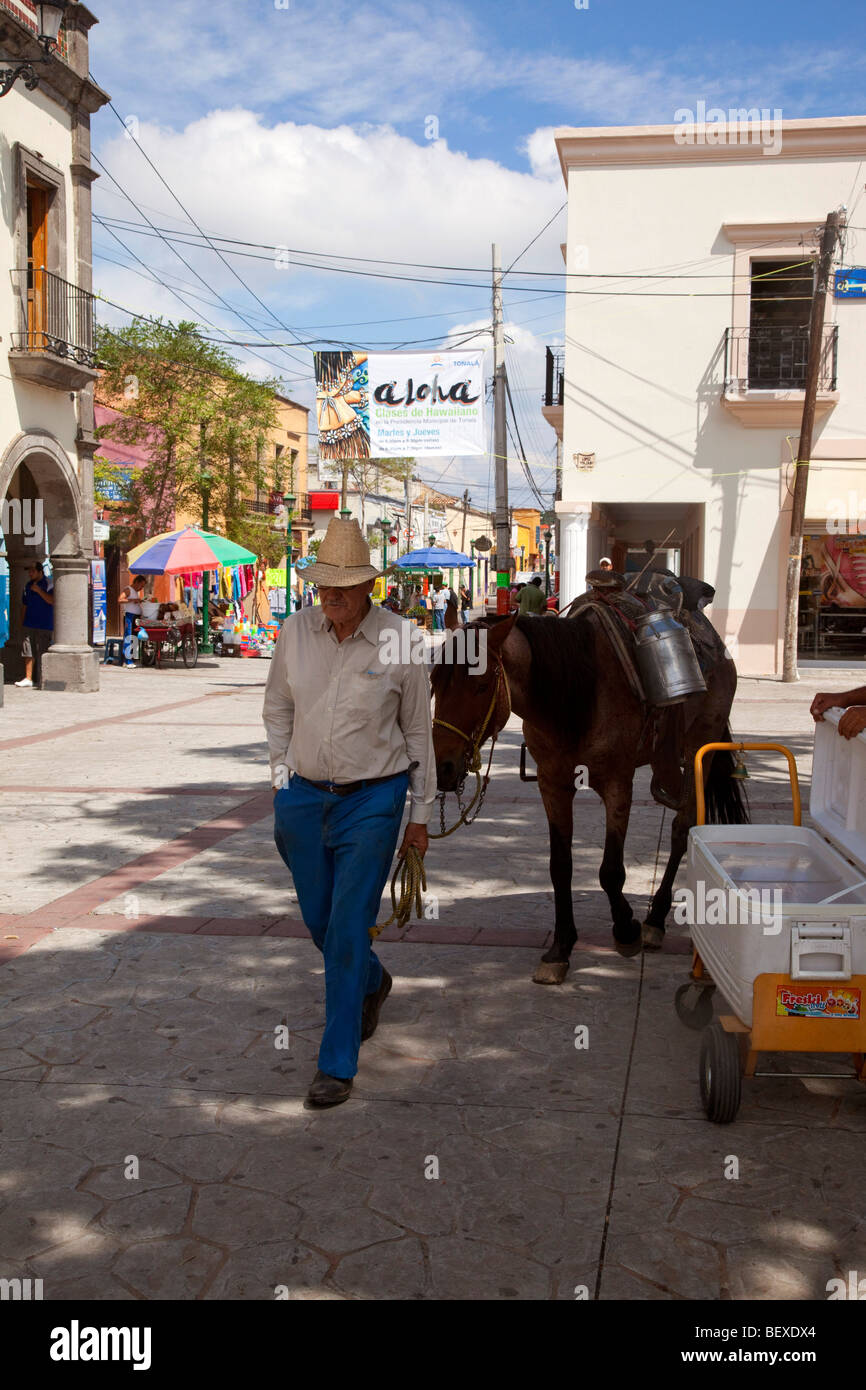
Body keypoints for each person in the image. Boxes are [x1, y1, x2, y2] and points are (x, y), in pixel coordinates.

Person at [263, 517, 436, 1108]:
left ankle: (336, 1064)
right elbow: (277, 709)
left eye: (345, 585)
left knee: (344, 928)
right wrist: (281, 777)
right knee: (317, 919)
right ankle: (370, 979)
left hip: (374, 799)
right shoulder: (294, 633)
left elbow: (419, 734)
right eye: (324, 585)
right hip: (304, 798)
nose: (331, 595)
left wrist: (420, 816)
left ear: (370, 587)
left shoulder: (402, 641)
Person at [15, 561, 54, 688]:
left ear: (40, 572)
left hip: (44, 624)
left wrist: (39, 591)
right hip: (29, 623)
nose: (30, 573)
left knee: (42, 651)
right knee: (28, 651)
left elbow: (52, 600)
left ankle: (43, 678)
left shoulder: (49, 583)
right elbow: (24, 605)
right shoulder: (27, 585)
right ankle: (28, 678)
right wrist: (22, 621)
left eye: (32, 571)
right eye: (29, 571)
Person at [118, 574, 147, 668]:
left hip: (136, 617)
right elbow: (120, 600)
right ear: (136, 582)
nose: (141, 588)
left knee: (135, 638)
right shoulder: (128, 589)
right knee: (129, 637)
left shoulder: (135, 591)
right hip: (130, 616)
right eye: (141, 585)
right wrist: (132, 600)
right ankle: (127, 660)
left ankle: (133, 659)